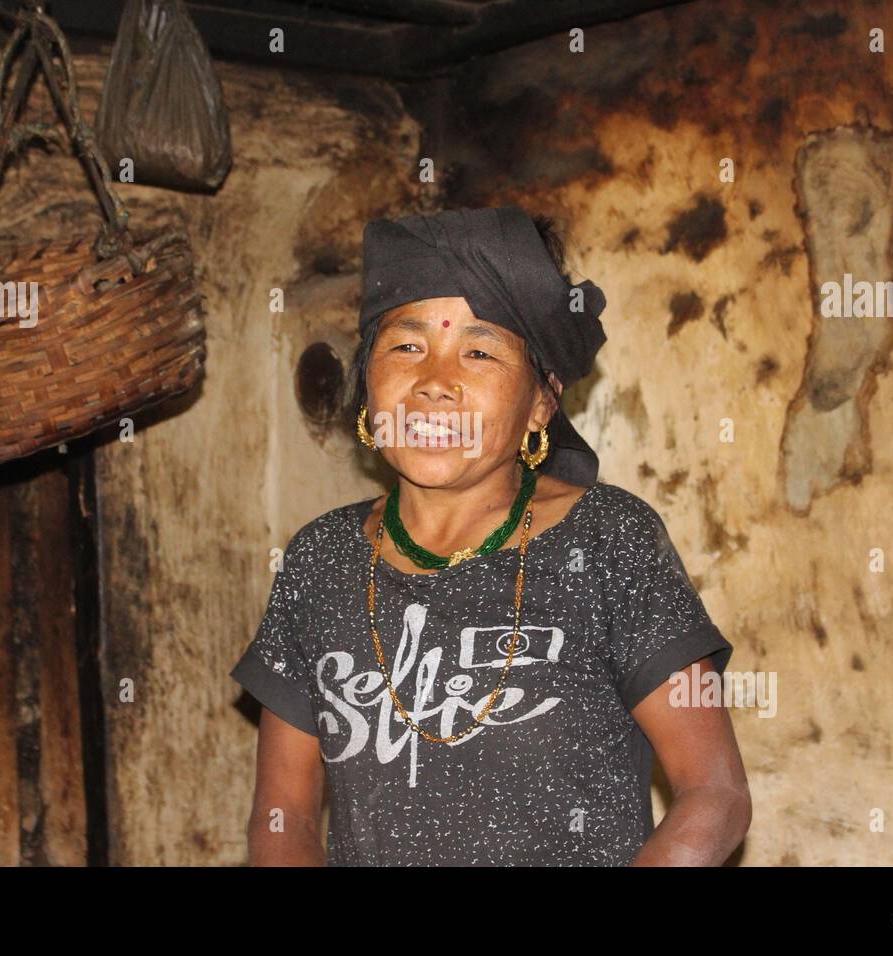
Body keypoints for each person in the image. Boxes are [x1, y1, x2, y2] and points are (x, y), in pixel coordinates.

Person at [230, 205, 751, 866]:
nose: (435, 383)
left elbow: (716, 792)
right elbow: (284, 819)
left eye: (478, 351)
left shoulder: (609, 542)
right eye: (406, 345)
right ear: (367, 382)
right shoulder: (320, 563)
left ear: (541, 401)